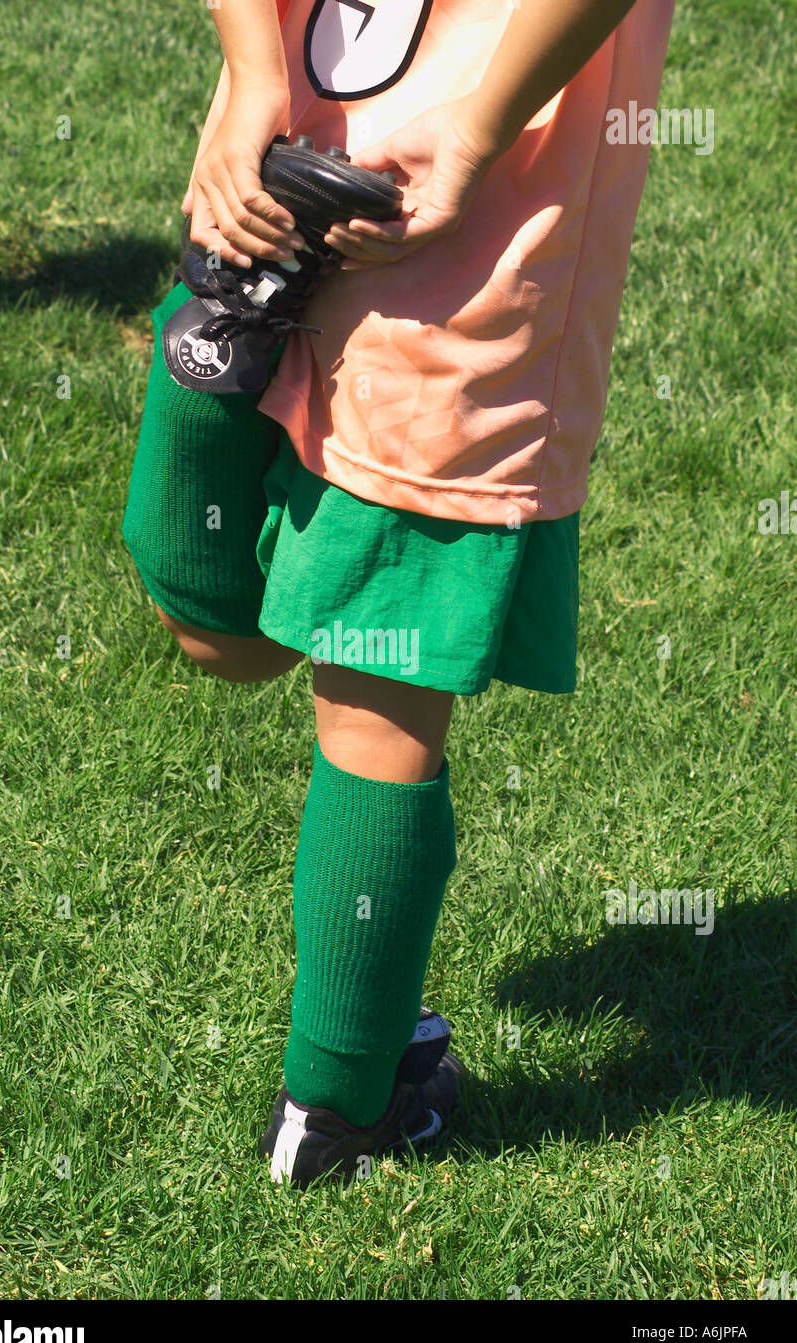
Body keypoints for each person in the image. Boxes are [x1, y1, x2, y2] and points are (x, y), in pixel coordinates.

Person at [121, 0, 675, 1187]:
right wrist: (458, 129)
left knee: (272, 654)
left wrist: (256, 66)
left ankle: (337, 1099)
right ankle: (336, 1113)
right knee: (318, 667)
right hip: (436, 221)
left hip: (321, 168)